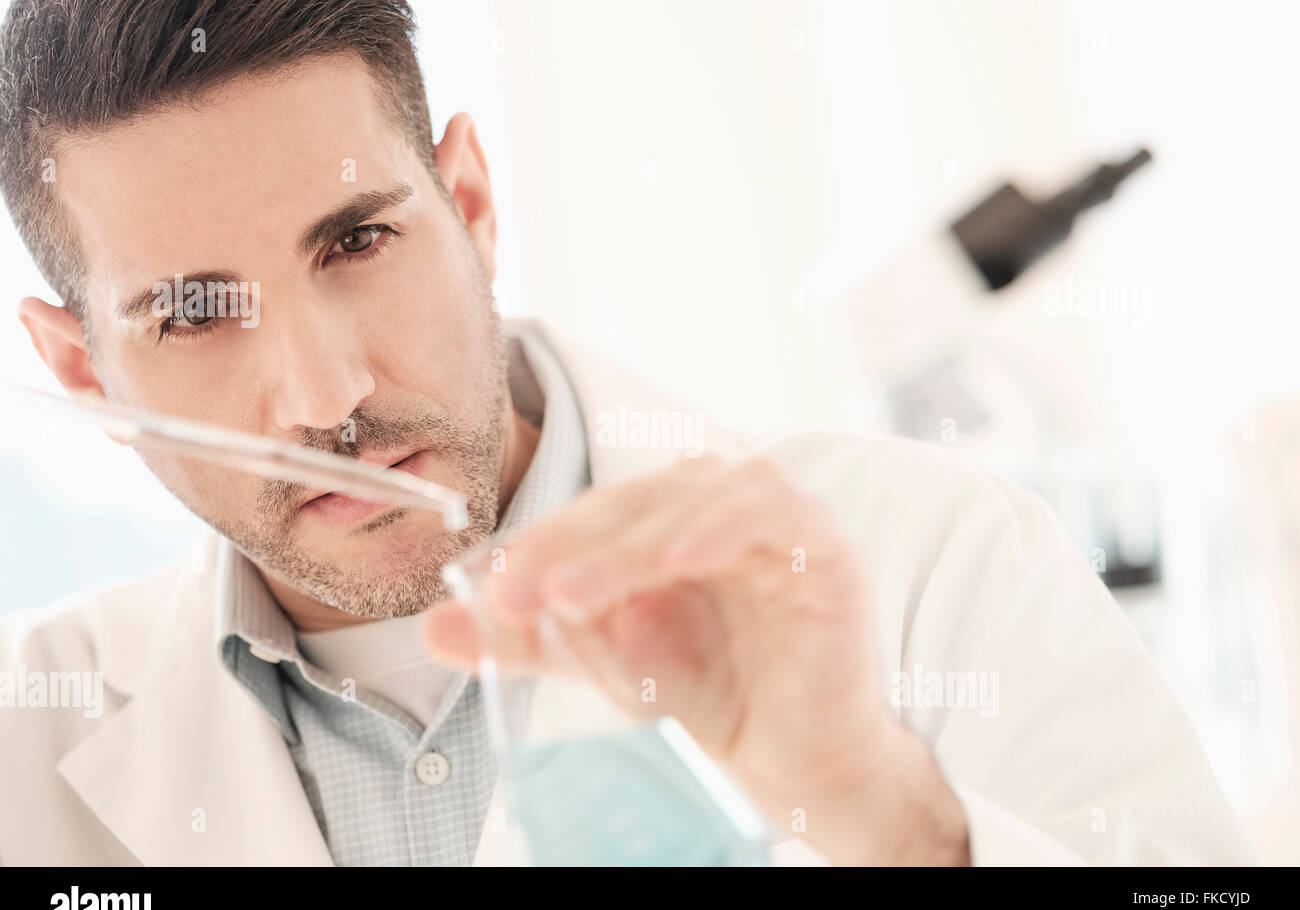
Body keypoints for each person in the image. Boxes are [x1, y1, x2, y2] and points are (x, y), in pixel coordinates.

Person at [0, 0, 1258, 866]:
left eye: (359, 242)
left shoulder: (928, 556)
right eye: (194, 315)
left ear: (473, 205)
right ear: (82, 371)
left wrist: (897, 822)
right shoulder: (27, 737)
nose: (322, 395)